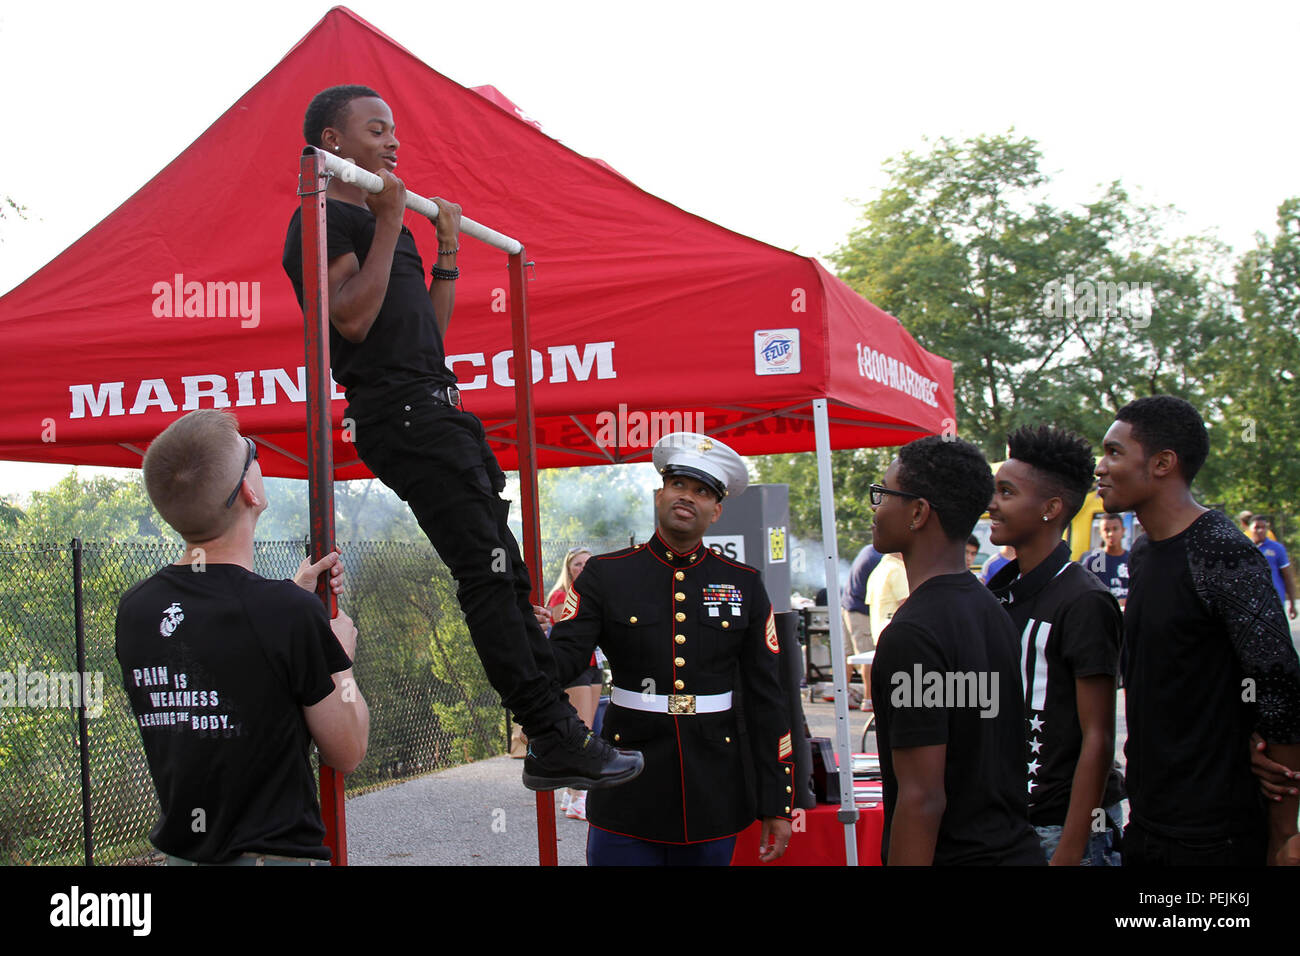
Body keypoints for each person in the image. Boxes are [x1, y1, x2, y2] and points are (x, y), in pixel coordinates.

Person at [281, 85, 641, 792]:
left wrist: (443, 249)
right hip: (403, 416)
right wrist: (388, 222)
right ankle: (549, 728)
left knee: (506, 571)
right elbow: (351, 320)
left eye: (395, 130)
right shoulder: (319, 222)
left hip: (439, 404)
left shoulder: (390, 224)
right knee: (483, 573)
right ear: (332, 141)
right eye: (375, 130)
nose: (393, 143)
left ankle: (550, 733)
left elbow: (426, 329)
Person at [115, 410, 368, 865]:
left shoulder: (136, 610)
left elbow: (224, 652)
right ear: (250, 491)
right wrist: (339, 657)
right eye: (253, 453)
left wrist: (296, 606)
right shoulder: (285, 615)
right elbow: (347, 751)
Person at [548, 433, 793, 865]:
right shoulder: (608, 575)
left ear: (716, 512)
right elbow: (562, 663)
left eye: (703, 492)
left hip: (714, 786)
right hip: (626, 779)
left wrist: (777, 801)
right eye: (679, 485)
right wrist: (520, 640)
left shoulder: (744, 583)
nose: (688, 497)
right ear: (658, 495)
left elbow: (767, 698)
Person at [1095, 395, 1300, 865]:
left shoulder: (1221, 553)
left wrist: (1284, 837)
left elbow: (1280, 687)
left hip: (1215, 836)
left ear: (1163, 463)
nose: (1100, 467)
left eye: (1114, 452)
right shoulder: (1145, 553)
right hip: (1148, 818)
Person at [868, 436, 1044, 865]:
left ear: (917, 512)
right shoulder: (990, 609)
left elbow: (922, 799)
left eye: (884, 493)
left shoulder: (912, 635)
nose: (876, 507)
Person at [986, 426, 1124, 865]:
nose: (992, 504)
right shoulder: (1002, 591)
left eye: (1006, 492)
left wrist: (1069, 850)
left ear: (1051, 508)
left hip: (1061, 831)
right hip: (1010, 826)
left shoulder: (1084, 601)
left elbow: (1098, 737)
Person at [544, 547, 602, 820]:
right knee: (580, 733)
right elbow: (563, 627)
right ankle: (580, 795)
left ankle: (571, 793)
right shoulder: (561, 595)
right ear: (569, 569)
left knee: (589, 730)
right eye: (577, 564)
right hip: (574, 668)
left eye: (588, 563)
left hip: (594, 667)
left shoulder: (598, 592)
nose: (583, 568)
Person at [864, 549, 909, 711]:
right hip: (898, 638)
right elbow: (906, 605)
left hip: (880, 634)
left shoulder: (879, 570)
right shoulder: (897, 570)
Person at [841, 544, 882, 710]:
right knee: (867, 656)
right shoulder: (878, 559)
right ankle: (868, 699)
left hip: (847, 606)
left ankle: (842, 694)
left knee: (847, 654)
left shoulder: (868, 550)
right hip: (860, 611)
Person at [1079, 513, 1130, 608]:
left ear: (1123, 530)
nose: (1111, 534)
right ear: (1100, 533)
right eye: (1106, 530)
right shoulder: (1093, 561)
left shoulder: (1133, 560)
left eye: (1115, 529)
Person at [1250, 516, 1297, 620]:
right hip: (1253, 601)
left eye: (1264, 527)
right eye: (1257, 527)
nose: (1260, 530)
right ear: (1250, 528)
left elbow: (1287, 576)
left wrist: (1292, 603)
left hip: (1275, 601)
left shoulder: (1277, 548)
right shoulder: (1245, 547)